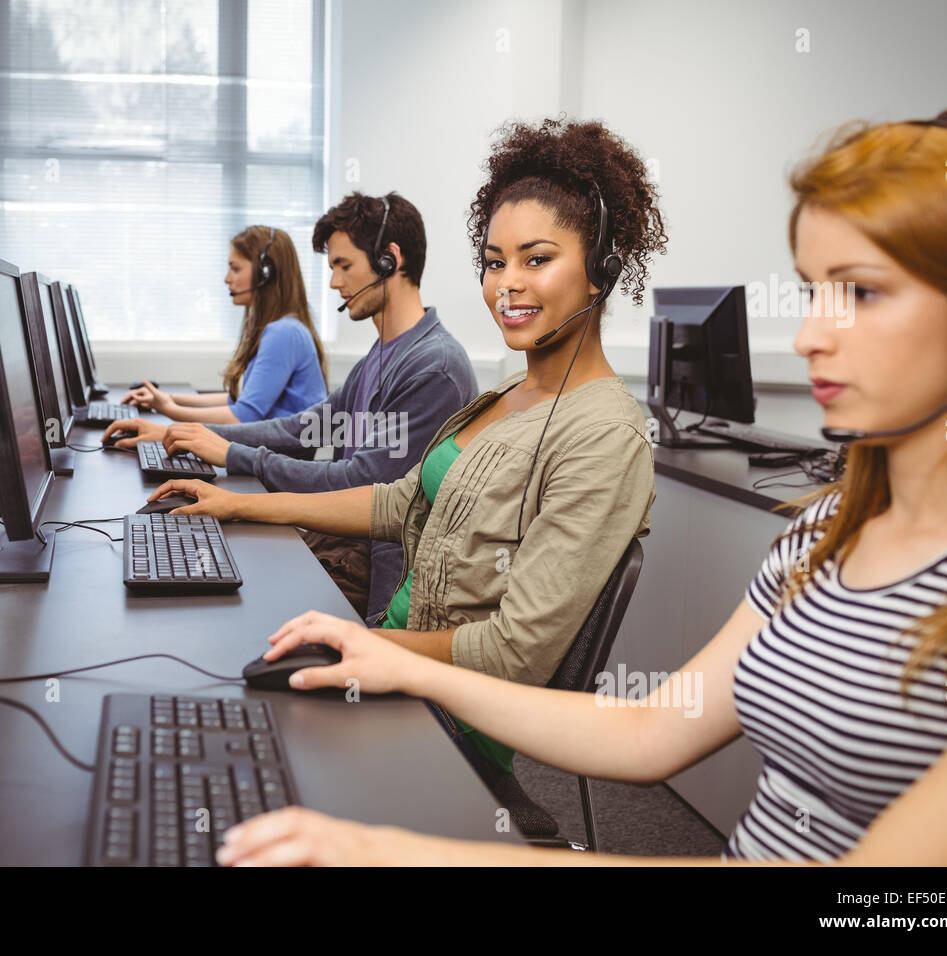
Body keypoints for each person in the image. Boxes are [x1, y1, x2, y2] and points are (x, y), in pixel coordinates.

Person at [208, 103, 947, 866]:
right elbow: (654, 731)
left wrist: (407, 854)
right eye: (808, 292)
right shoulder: (824, 532)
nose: (805, 337)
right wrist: (389, 659)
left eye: (859, 292)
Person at [140, 117, 664, 775]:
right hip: (392, 656)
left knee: (226, 735)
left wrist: (365, 643)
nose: (507, 284)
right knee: (206, 683)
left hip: (445, 721)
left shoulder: (602, 437)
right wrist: (238, 505)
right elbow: (394, 503)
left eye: (537, 259)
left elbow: (513, 653)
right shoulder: (503, 400)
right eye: (495, 263)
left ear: (601, 272)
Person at [105, 192, 478, 624]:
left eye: (344, 266)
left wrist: (232, 456)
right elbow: (304, 429)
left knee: (232, 604)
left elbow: (363, 484)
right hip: (346, 548)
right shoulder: (381, 356)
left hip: (382, 583)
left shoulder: (433, 369)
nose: (336, 283)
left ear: (390, 260)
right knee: (216, 557)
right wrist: (191, 437)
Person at [120, 225, 327, 424]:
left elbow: (241, 417)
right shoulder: (281, 328)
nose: (227, 279)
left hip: (278, 457)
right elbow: (237, 400)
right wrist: (166, 399)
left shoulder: (284, 332)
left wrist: (169, 410)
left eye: (235, 269)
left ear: (266, 274)